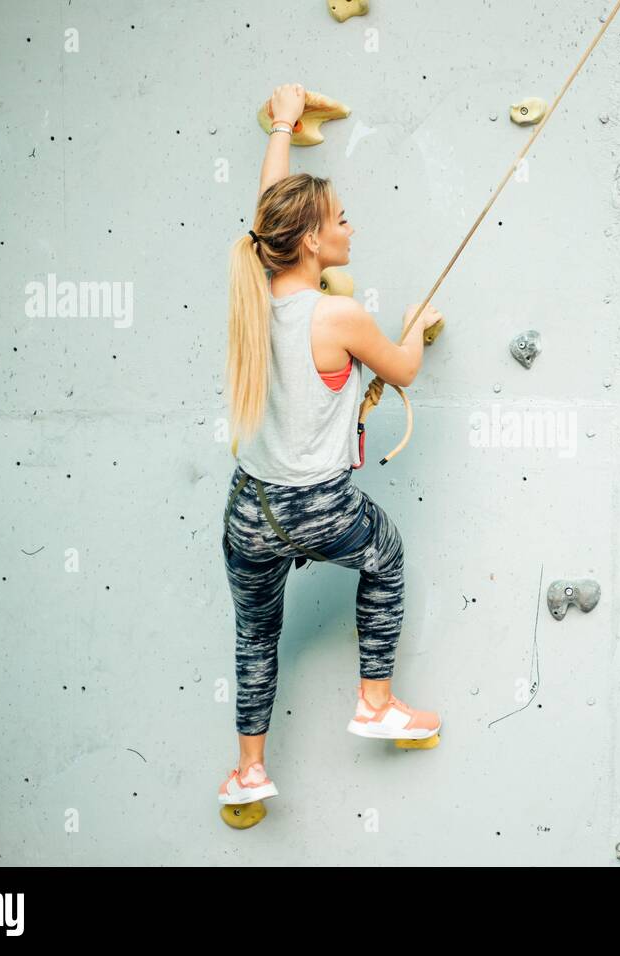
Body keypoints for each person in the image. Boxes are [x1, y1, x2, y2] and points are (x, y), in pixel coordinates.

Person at [218, 83, 444, 808]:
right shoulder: (338, 314)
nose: (350, 226)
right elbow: (404, 367)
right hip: (321, 507)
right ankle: (374, 702)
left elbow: (268, 214)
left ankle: (249, 771)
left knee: (256, 636)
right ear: (311, 240)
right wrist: (415, 322)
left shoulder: (255, 284)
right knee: (386, 559)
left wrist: (283, 123)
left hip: (250, 510)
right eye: (340, 220)